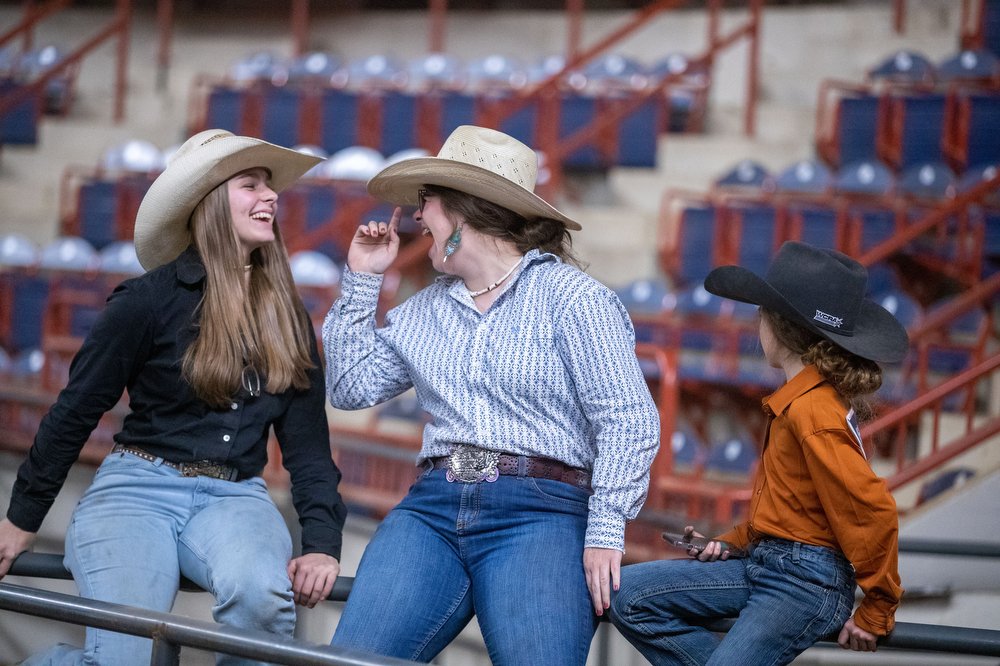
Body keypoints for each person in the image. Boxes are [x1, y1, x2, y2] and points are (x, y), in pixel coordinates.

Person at [0, 130, 347, 666]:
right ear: (208, 203)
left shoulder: (289, 318)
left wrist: (322, 543)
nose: (271, 196)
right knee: (126, 659)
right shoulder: (146, 300)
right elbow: (75, 411)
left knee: (261, 599)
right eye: (250, 184)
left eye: (269, 185)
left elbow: (309, 450)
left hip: (236, 497)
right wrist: (22, 519)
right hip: (136, 489)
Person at [322, 125, 660, 664]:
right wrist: (362, 278)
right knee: (349, 661)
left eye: (426, 200)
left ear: (464, 210)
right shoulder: (423, 310)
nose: (416, 215)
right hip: (432, 508)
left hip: (543, 513)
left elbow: (628, 418)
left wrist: (605, 527)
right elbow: (348, 387)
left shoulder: (574, 298)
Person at [608, 241, 908, 666]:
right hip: (767, 565)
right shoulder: (801, 402)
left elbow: (871, 510)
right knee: (629, 597)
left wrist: (878, 608)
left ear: (778, 327)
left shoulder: (813, 410)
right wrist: (729, 543)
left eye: (761, 314)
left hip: (804, 584)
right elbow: (793, 514)